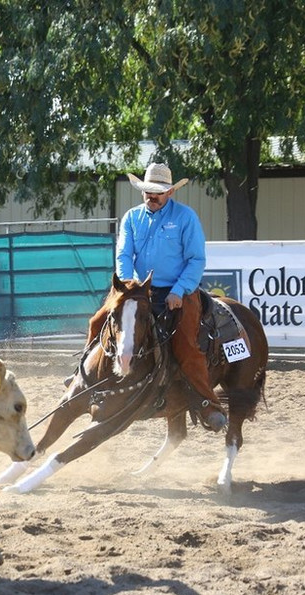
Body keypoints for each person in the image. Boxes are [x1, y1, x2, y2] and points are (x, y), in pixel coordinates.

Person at [87, 162, 226, 431]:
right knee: (97, 322)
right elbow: (124, 254)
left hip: (177, 289)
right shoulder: (131, 217)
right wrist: (128, 287)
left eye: (158, 191)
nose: (152, 196)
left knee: (186, 345)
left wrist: (179, 291)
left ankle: (209, 404)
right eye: (148, 190)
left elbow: (196, 259)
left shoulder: (186, 218)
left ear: (170, 192)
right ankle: (82, 377)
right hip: (137, 289)